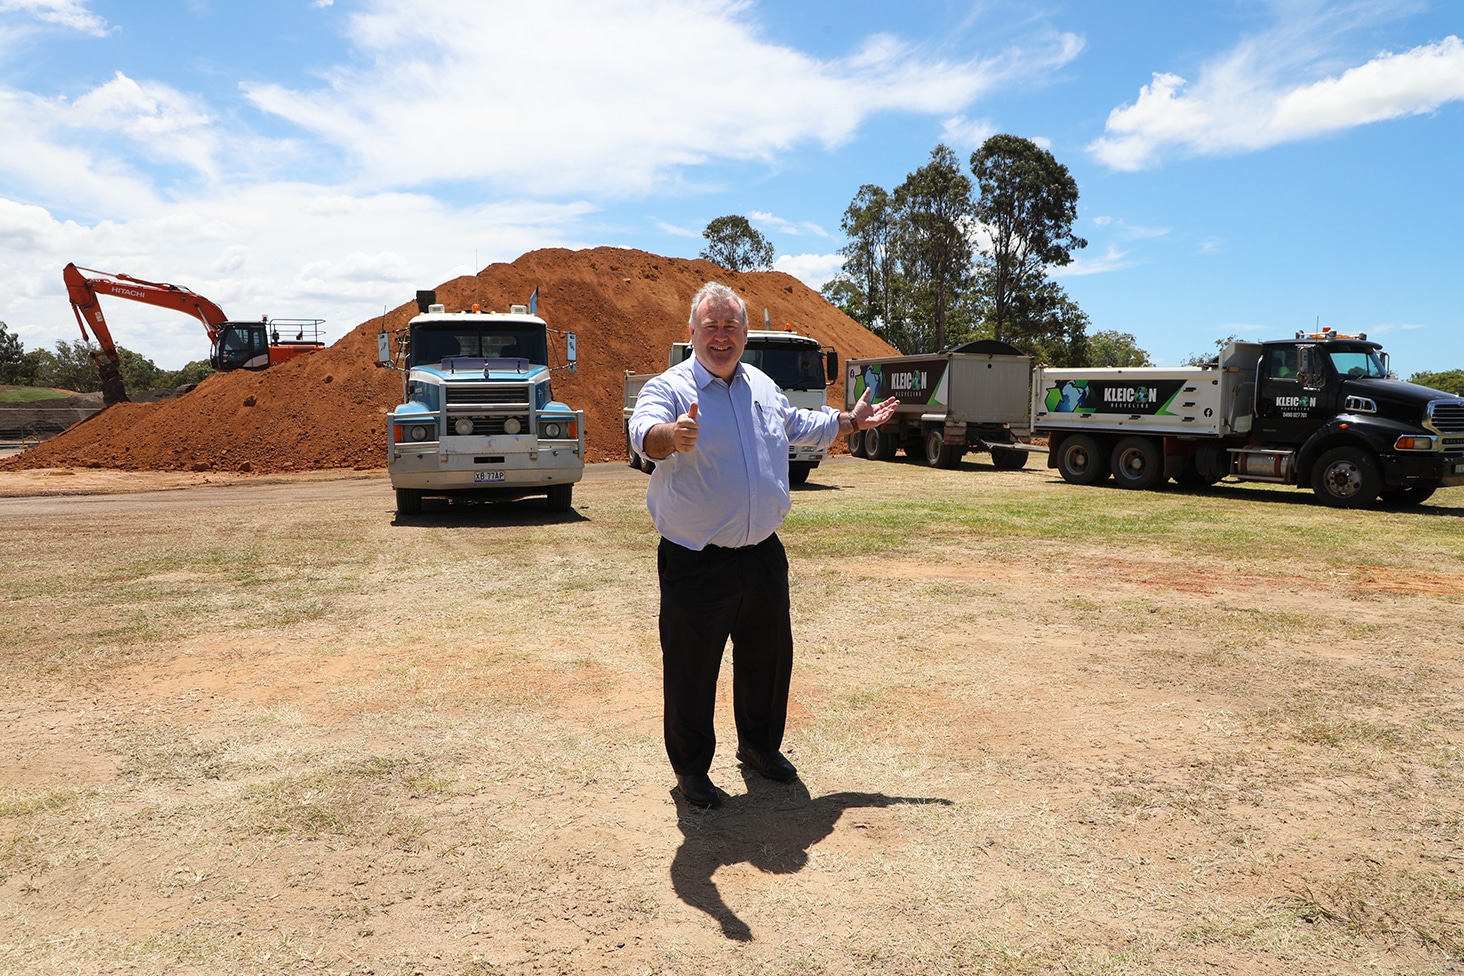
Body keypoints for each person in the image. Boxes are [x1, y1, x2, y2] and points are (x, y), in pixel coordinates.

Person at [628, 281, 900, 809]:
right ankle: (691, 771)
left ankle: (758, 748)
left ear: (745, 332)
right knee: (691, 669)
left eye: (731, 326)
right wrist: (673, 436)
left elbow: (797, 424)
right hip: (695, 560)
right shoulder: (670, 388)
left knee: (769, 659)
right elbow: (642, 432)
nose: (722, 337)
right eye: (711, 327)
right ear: (691, 333)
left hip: (762, 554)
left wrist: (849, 421)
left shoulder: (761, 385)